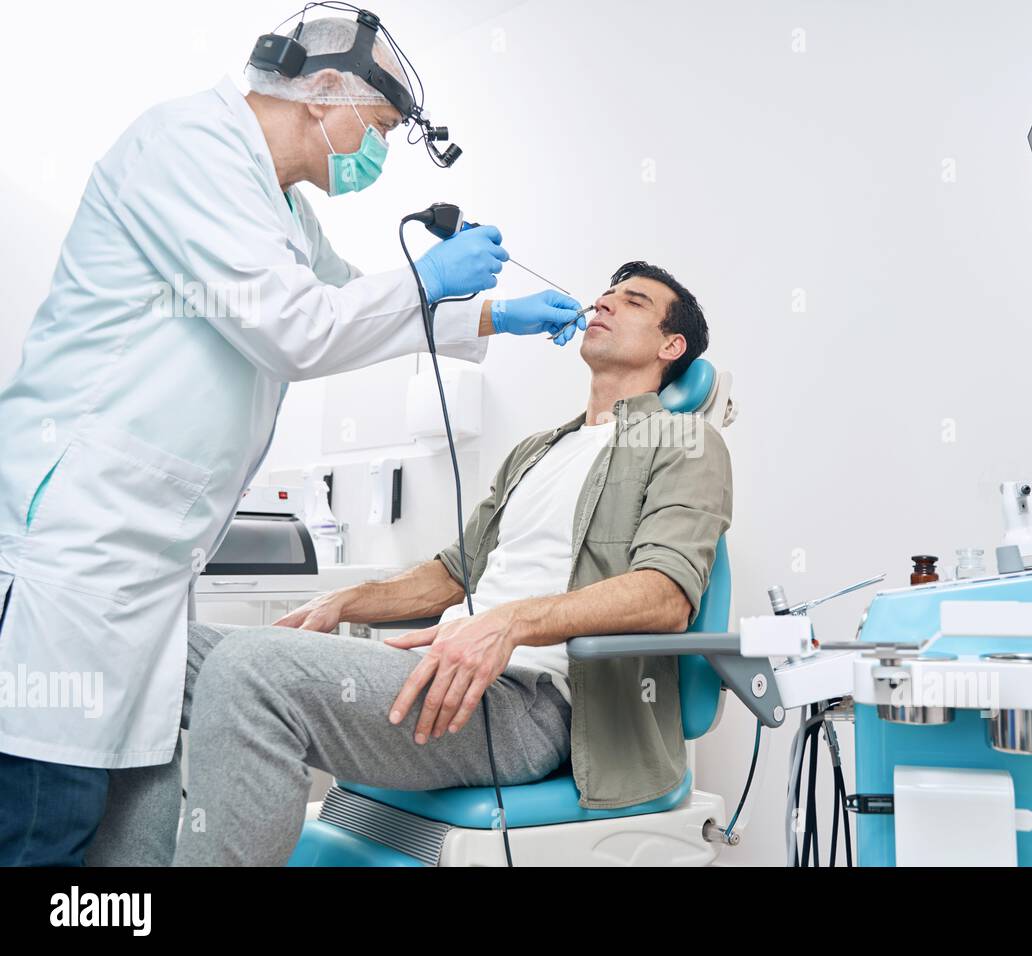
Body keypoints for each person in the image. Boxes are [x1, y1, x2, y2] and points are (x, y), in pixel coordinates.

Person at [0, 15, 585, 867]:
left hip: (142, 573)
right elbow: (296, 330)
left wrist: (495, 313)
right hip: (77, 550)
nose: (376, 154)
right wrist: (429, 280)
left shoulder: (278, 204)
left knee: (119, 837)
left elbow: (344, 297)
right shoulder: (189, 146)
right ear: (321, 96)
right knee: (44, 829)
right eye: (379, 130)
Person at [102, 260, 730, 865]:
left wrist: (507, 623)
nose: (605, 301)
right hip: (447, 669)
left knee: (248, 669)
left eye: (634, 301)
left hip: (531, 701)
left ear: (671, 346)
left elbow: (665, 597)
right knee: (147, 651)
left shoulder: (684, 442)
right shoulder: (540, 450)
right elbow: (451, 573)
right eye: (607, 293)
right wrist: (342, 603)